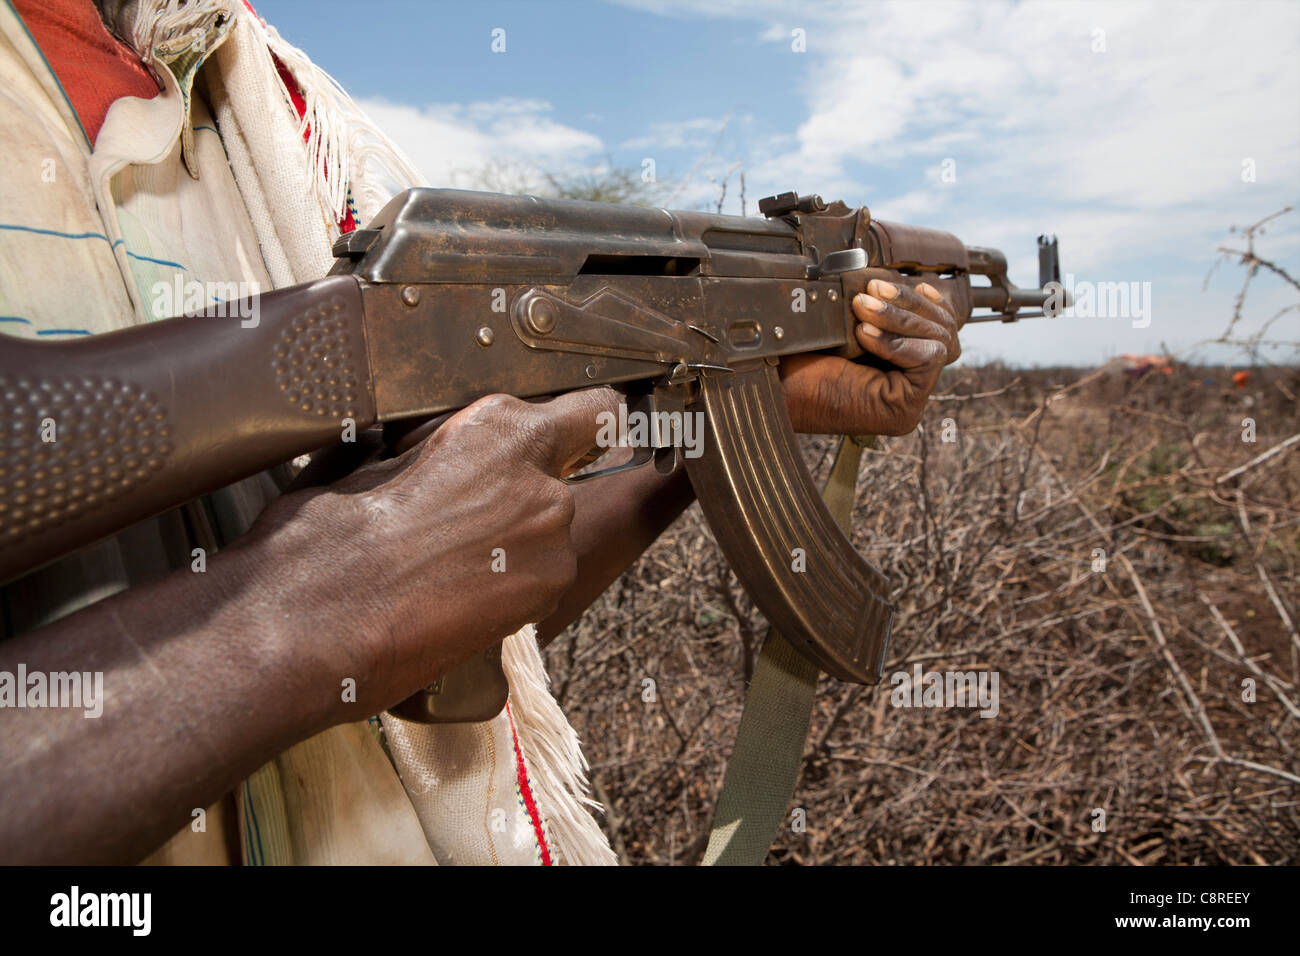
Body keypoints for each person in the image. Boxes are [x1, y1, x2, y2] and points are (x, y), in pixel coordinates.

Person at [0, 0, 961, 865]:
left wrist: (741, 405)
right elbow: (362, 593)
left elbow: (472, 589)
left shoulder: (285, 116)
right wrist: (299, 615)